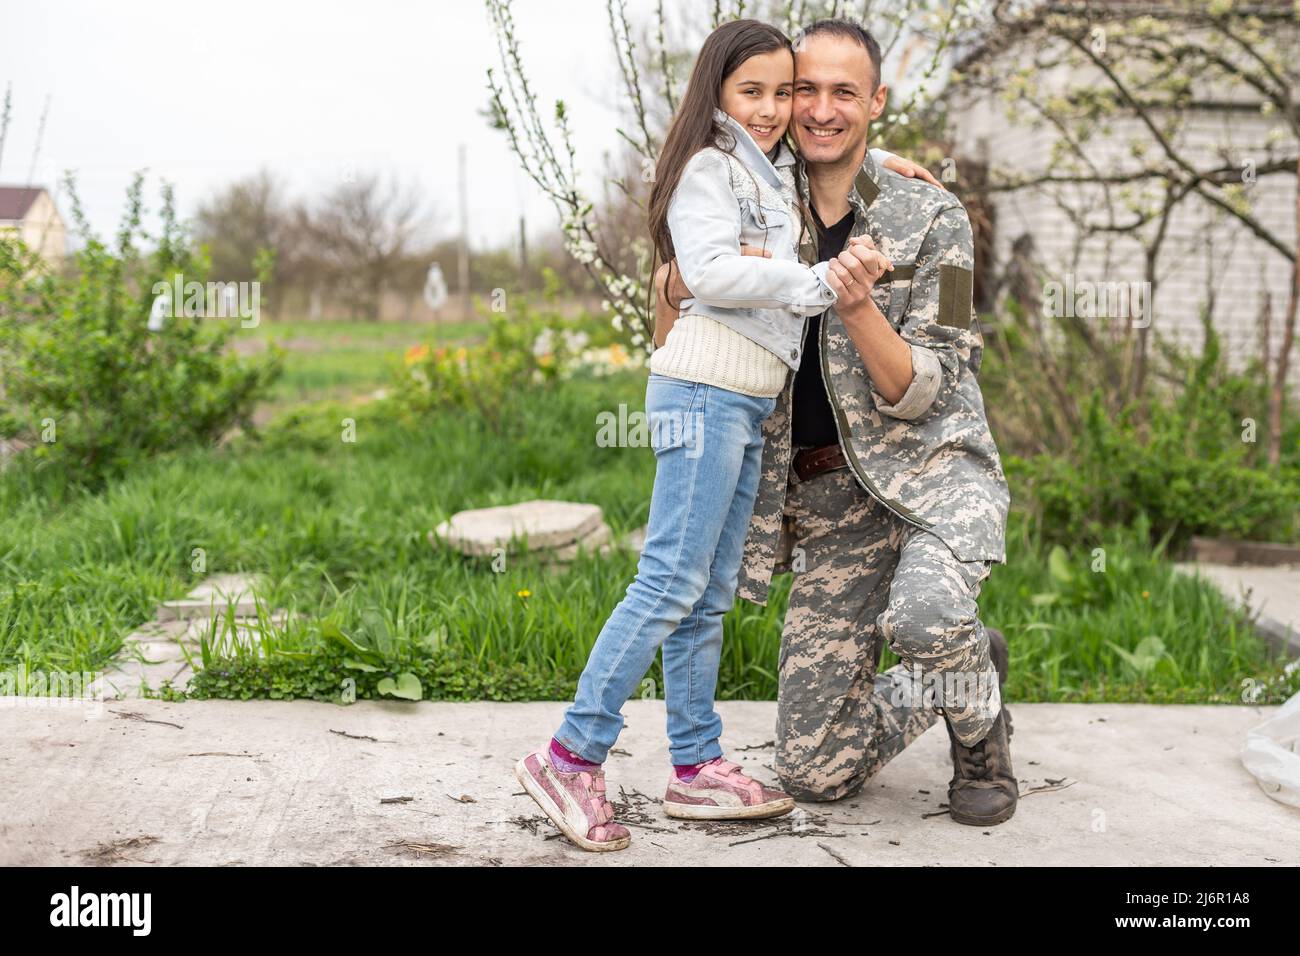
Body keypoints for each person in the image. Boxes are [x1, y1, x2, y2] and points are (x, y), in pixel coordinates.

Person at [513, 18, 898, 852]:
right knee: (669, 581)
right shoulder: (708, 169)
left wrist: (890, 166)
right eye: (750, 92)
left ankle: (695, 767)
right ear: (717, 95)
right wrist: (820, 281)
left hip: (743, 401)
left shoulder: (765, 168)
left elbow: (827, 168)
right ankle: (570, 755)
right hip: (701, 391)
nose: (772, 109)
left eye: (782, 92)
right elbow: (714, 273)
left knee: (707, 590)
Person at [657, 18, 1018, 828]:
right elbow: (690, 254)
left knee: (925, 615)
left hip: (935, 478)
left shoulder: (938, 221)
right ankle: (965, 666)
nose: (818, 109)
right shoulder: (758, 201)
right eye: (800, 90)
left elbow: (931, 381)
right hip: (832, 500)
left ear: (876, 100)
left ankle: (980, 728)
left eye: (842, 93)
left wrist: (858, 308)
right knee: (814, 770)